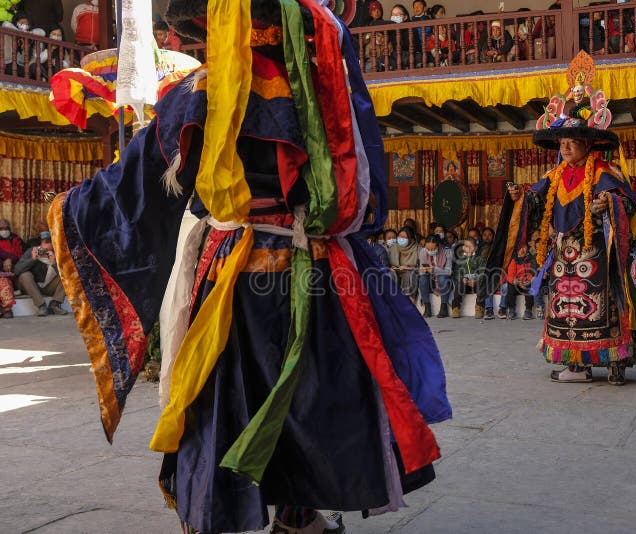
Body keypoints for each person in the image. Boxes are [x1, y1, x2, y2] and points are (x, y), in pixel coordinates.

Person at [47, 2, 450, 532]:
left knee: (219, 402)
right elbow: (365, 193)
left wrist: (68, 210)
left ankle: (207, 514)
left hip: (233, 276)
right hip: (319, 271)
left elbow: (139, 188)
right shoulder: (327, 95)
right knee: (314, 401)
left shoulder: (200, 93)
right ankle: (298, 516)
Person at [488, 52, 636, 385]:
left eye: (572, 143)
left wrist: (608, 203)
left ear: (587, 144)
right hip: (561, 252)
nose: (566, 148)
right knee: (565, 307)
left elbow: (628, 203)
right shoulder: (554, 174)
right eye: (563, 143)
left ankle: (614, 361)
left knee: (601, 306)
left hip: (596, 251)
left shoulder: (603, 171)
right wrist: (519, 199)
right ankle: (577, 366)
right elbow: (536, 201)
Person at [13, 238, 69, 316]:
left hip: (47, 286)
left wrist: (54, 264)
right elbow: (17, 270)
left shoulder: (56, 254)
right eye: (43, 249)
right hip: (32, 286)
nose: (44, 252)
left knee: (66, 276)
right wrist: (32, 259)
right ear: (41, 244)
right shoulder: (31, 251)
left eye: (48, 250)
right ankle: (41, 306)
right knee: (25, 275)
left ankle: (54, 305)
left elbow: (65, 273)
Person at [499, 242, 536, 320]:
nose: (522, 250)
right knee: (510, 285)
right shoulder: (514, 260)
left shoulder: (531, 258)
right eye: (519, 248)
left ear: (527, 248)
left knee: (529, 286)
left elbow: (533, 271)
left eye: (524, 247)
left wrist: (527, 280)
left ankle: (528, 311)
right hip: (517, 283)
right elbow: (510, 275)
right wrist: (516, 281)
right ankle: (512, 310)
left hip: (526, 282)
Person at [418, 234, 453, 318]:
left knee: (442, 278)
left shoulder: (447, 251)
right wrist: (423, 270)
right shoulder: (423, 251)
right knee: (422, 279)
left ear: (438, 246)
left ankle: (444, 307)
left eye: (433, 249)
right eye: (428, 249)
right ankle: (427, 307)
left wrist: (434, 270)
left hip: (443, 277)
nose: (430, 251)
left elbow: (449, 271)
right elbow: (421, 269)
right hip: (430, 277)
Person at [451, 237, 484, 319]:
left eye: (470, 246)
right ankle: (456, 308)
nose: (468, 248)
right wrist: (462, 278)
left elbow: (483, 272)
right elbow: (456, 272)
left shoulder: (480, 259)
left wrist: (476, 280)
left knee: (482, 285)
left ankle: (479, 307)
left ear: (475, 248)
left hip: (475, 283)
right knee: (458, 286)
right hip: (464, 284)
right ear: (463, 247)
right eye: (466, 246)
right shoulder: (460, 259)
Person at [388, 226, 420, 301]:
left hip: (409, 273)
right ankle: (392, 300)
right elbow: (386, 264)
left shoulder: (417, 249)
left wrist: (408, 268)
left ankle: (408, 300)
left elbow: (421, 268)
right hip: (396, 272)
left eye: (404, 237)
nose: (401, 239)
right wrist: (390, 267)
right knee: (390, 274)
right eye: (400, 236)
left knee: (408, 274)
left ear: (411, 240)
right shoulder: (393, 247)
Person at [0, 218, 24, 318]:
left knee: (4, 281)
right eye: (1, 228)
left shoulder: (16, 240)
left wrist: (9, 259)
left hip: (12, 273)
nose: (3, 230)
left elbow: (18, 257)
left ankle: (7, 309)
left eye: (5, 228)